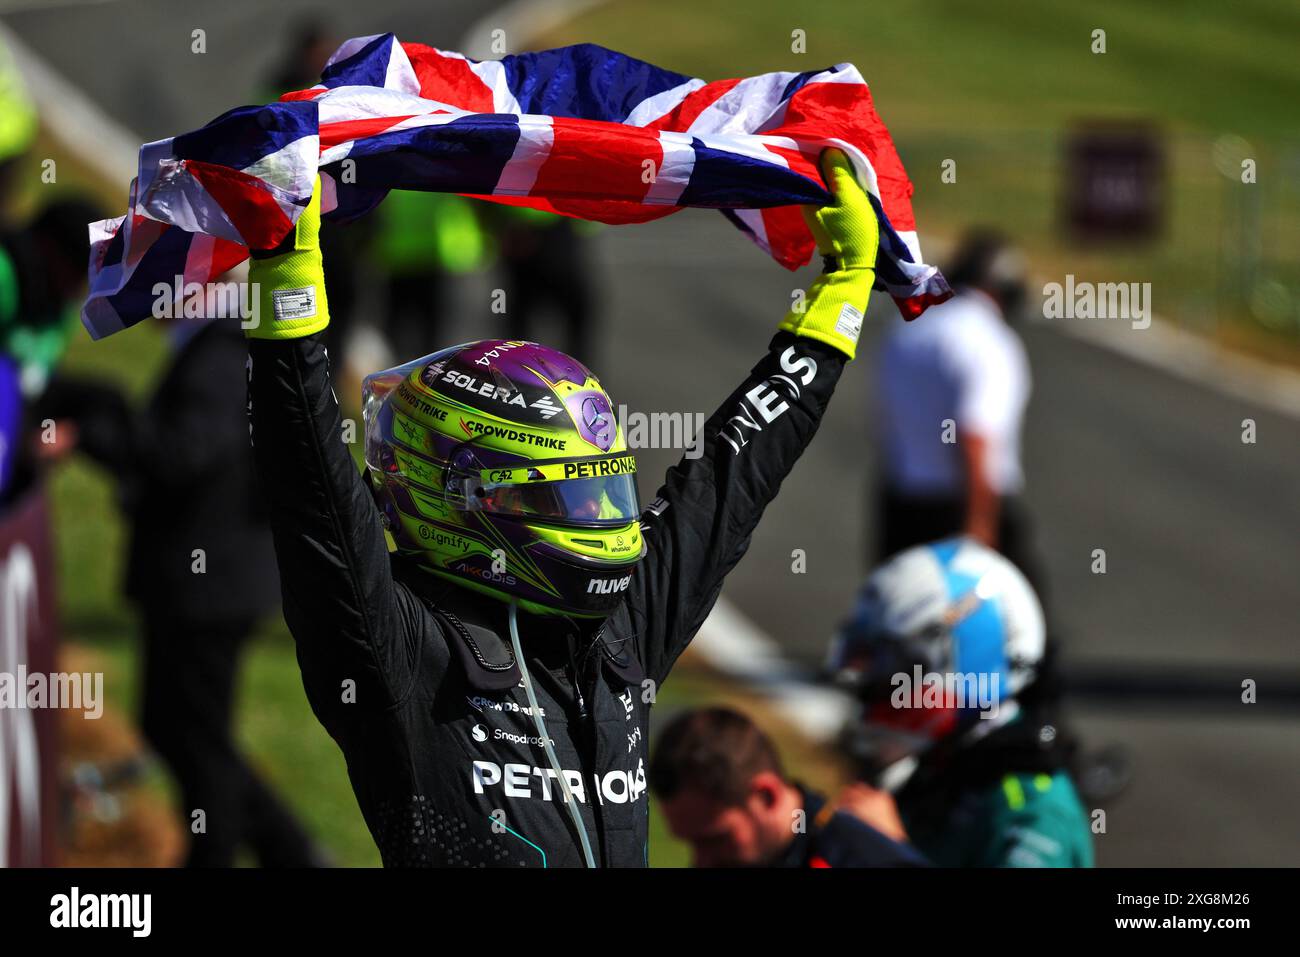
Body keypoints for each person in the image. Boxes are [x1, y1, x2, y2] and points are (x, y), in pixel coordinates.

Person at [242, 149, 876, 867]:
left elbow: (730, 477)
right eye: (567, 490)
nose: (600, 515)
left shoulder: (618, 631)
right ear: (467, 493)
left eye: (602, 484)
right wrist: (286, 288)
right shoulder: (399, 651)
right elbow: (312, 496)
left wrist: (840, 299)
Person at [41, 315, 323, 867]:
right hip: (201, 582)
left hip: (210, 586)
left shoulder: (218, 353)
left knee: (197, 737)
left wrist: (92, 431)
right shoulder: (212, 346)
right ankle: (287, 851)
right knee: (176, 727)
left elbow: (181, 453)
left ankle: (228, 853)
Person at [826, 538, 1094, 867]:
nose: (875, 694)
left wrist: (893, 855)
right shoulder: (936, 768)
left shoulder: (1033, 815)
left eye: (897, 672)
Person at [873, 230, 1042, 590]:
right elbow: (975, 434)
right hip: (960, 507)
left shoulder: (909, 332)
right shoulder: (989, 341)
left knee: (900, 620)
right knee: (1019, 627)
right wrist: (979, 527)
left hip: (901, 505)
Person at [649, 707, 926, 867]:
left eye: (715, 839)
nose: (700, 862)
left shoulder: (856, 856)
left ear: (766, 796)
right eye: (693, 844)